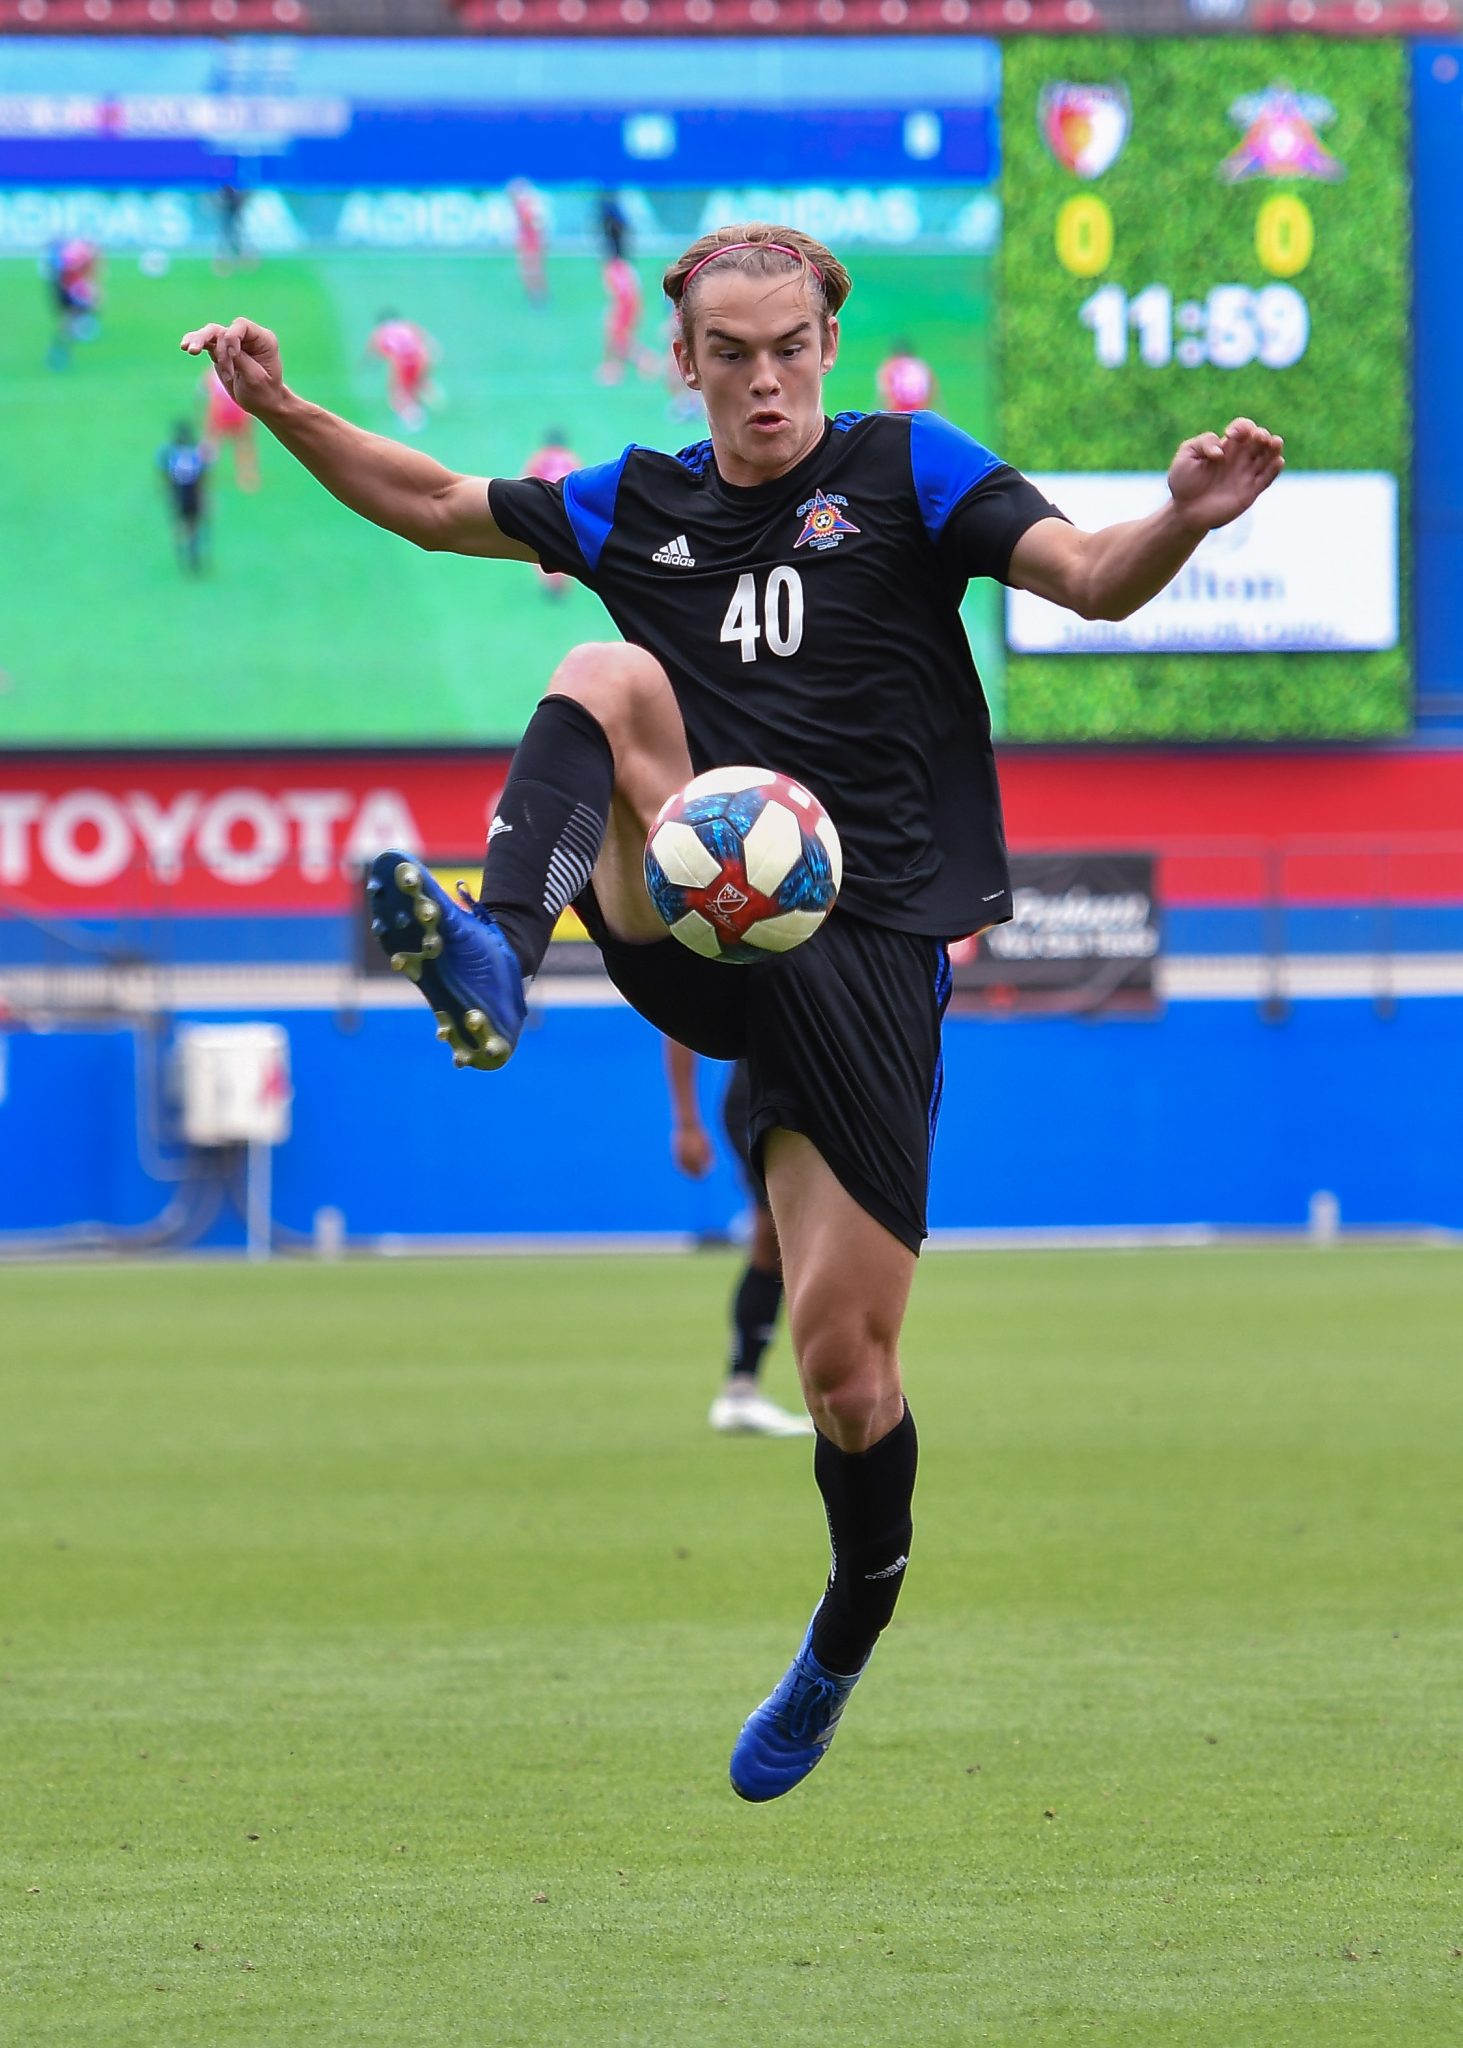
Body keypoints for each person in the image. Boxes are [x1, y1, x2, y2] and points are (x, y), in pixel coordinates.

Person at [181, 223, 1284, 1803]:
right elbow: (430, 507)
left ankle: (846, 1622)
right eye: (730, 354)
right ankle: (498, 950)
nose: (762, 382)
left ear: (824, 344)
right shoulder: (638, 501)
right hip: (689, 908)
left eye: (788, 350)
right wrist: (282, 409)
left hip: (867, 950)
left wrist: (1178, 514)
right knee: (606, 672)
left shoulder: (906, 473)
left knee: (845, 1375)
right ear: (681, 359)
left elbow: (1092, 582)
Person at [663, 1044, 809, 1438]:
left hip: (809, 1094)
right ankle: (743, 1389)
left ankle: (742, 1389)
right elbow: (676, 1022)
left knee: (774, 1244)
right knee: (780, 1240)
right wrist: (687, 1122)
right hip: (769, 1099)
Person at [522, 432, 579, 599]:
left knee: (540, 544)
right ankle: (562, 583)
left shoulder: (539, 458)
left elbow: (526, 480)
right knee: (567, 544)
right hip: (566, 506)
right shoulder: (570, 458)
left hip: (544, 504)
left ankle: (549, 583)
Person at [365, 312, 438, 432]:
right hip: (420, 359)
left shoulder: (380, 332)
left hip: (402, 363)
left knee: (399, 392)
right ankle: (426, 399)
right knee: (415, 386)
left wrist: (369, 364)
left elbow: (373, 351)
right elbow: (430, 343)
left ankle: (412, 418)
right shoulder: (407, 325)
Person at [157, 422, 212, 574]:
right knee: (194, 526)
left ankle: (183, 553)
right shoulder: (196, 453)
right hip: (193, 495)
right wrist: (205, 498)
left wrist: (167, 493)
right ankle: (192, 555)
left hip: (179, 495)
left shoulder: (170, 453)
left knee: (181, 525)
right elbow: (203, 476)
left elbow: (165, 473)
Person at [597, 256, 657, 385]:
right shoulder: (626, 269)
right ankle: (619, 368)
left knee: (619, 342)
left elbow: (620, 295)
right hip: (628, 308)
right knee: (619, 341)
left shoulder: (613, 270)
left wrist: (612, 314)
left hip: (624, 309)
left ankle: (646, 362)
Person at [201, 364, 261, 492]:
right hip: (234, 413)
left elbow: (207, 396)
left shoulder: (213, 373)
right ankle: (247, 476)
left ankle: (205, 475)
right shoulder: (238, 370)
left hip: (226, 413)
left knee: (217, 444)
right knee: (240, 444)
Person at [45, 237, 101, 368]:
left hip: (64, 289)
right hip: (69, 290)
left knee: (69, 321)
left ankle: (62, 348)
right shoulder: (82, 256)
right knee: (73, 319)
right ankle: (62, 348)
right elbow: (73, 276)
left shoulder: (72, 255)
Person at [508, 180, 549, 304]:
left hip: (531, 240)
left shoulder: (528, 204)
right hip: (527, 240)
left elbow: (537, 222)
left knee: (533, 268)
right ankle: (534, 292)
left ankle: (538, 293)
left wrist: (536, 226)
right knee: (529, 268)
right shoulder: (523, 204)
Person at [876, 338, 937, 414]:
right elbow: (931, 389)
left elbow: (886, 393)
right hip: (919, 411)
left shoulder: (890, 365)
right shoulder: (920, 365)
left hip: (898, 411)